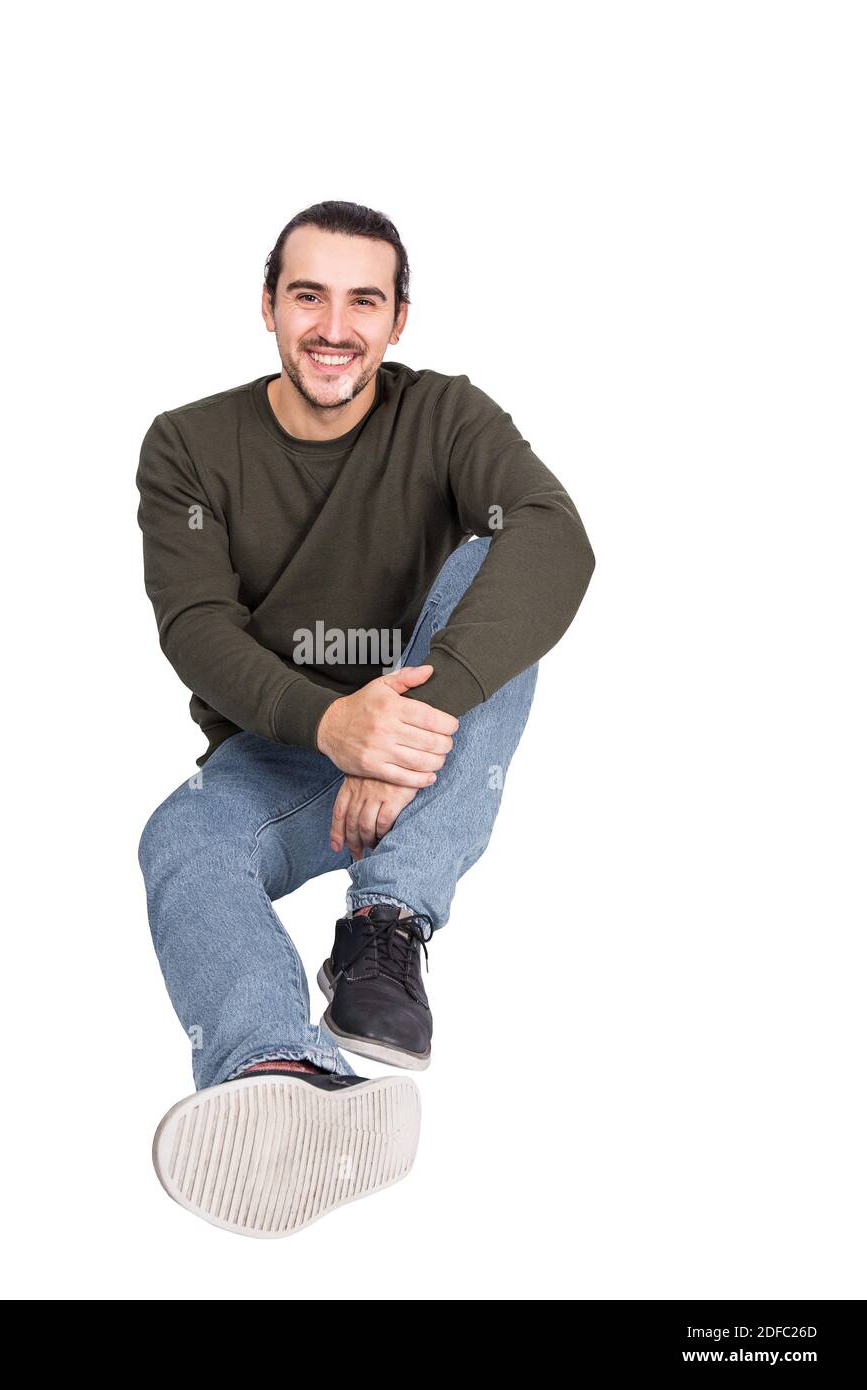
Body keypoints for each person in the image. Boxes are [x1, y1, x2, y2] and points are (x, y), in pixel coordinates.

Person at [136, 200, 596, 1237]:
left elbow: (554, 539)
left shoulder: (445, 416)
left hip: (428, 728)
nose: (333, 327)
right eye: (307, 296)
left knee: (503, 557)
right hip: (283, 745)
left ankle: (383, 928)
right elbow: (197, 628)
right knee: (179, 834)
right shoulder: (187, 446)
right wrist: (332, 725)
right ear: (266, 308)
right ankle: (276, 1064)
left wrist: (394, 734)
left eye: (362, 301)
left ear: (396, 321)